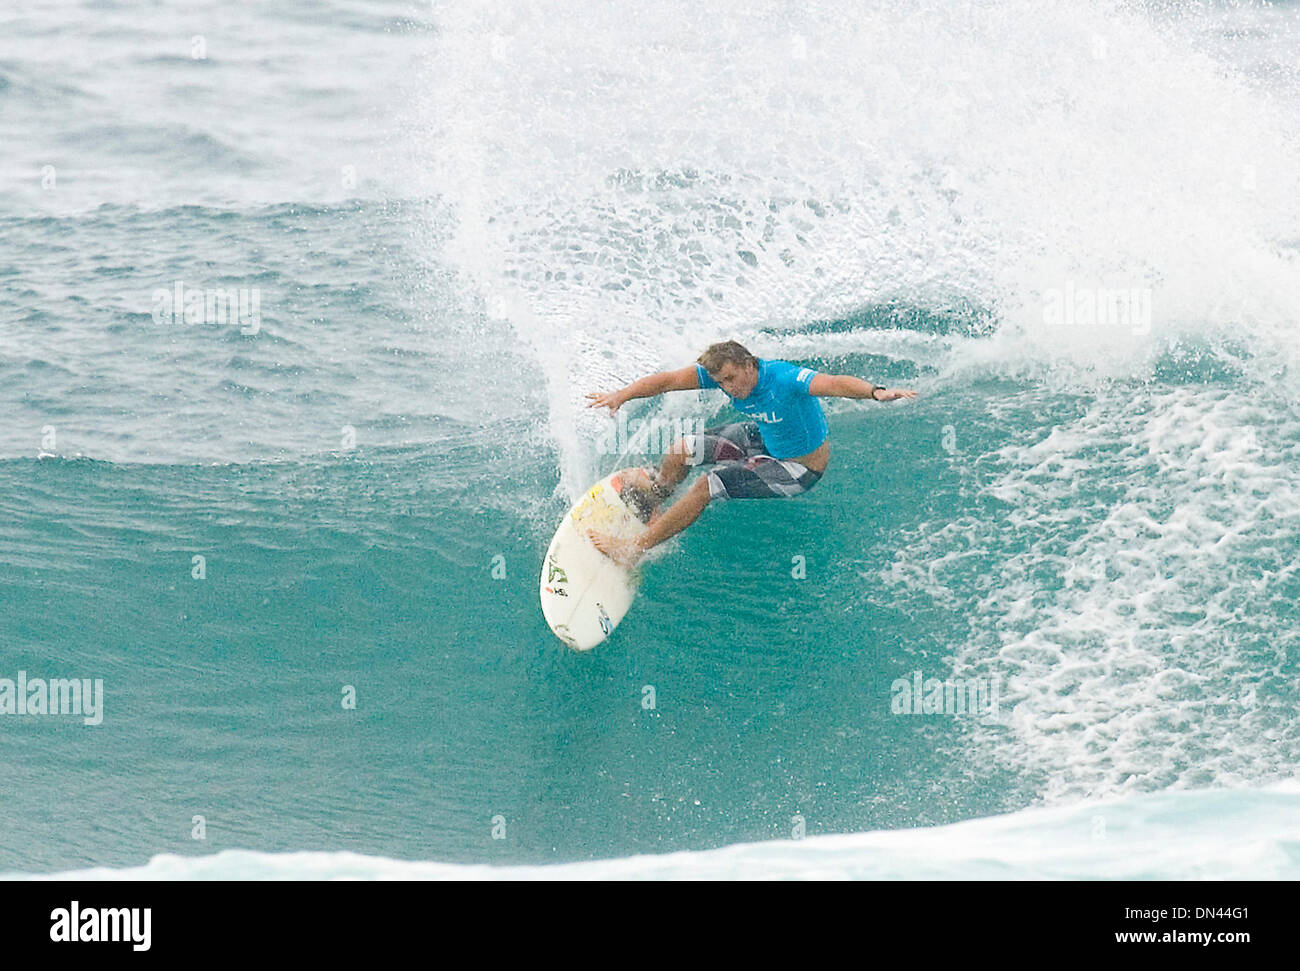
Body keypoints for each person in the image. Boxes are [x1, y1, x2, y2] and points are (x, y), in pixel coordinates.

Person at [584, 340, 917, 563]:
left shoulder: (784, 379)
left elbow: (834, 383)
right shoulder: (724, 374)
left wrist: (876, 393)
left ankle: (633, 550)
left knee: (706, 486)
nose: (729, 389)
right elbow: (669, 380)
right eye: (722, 382)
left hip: (798, 468)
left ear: (749, 364)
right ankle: (656, 498)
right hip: (767, 438)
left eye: (731, 379)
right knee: (682, 450)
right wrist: (622, 395)